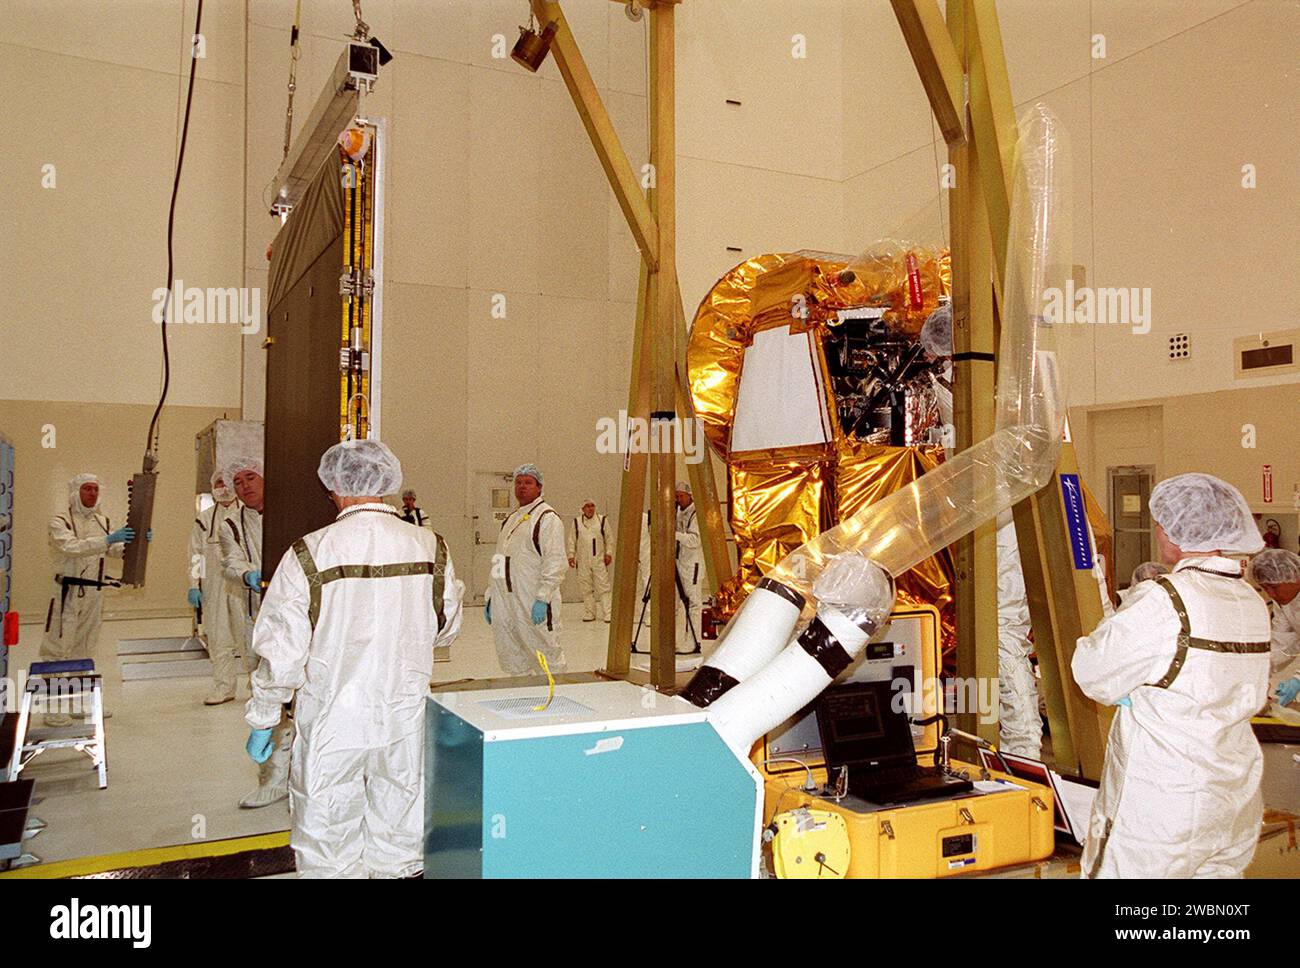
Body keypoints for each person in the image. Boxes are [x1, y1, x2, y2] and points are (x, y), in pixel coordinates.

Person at [244, 439, 462, 878]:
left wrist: (264, 715)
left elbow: (282, 653)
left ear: (334, 489)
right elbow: (446, 629)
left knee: (327, 830)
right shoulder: (430, 546)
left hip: (332, 719)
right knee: (400, 826)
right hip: (405, 714)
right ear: (386, 483)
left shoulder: (310, 552)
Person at [1072, 473, 1270, 879]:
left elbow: (1093, 673)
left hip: (1163, 805)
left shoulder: (1166, 599)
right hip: (1233, 796)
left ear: (1170, 533)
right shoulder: (1249, 600)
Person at [40, 473, 138, 726]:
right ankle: (53, 708)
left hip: (93, 593)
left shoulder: (102, 520)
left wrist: (132, 543)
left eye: (95, 489)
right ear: (75, 492)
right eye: (87, 489)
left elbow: (113, 550)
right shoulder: (60, 521)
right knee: (57, 649)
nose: (92, 494)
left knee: (85, 647)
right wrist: (108, 539)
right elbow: (70, 546)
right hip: (67, 593)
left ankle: (79, 701)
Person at [219, 456, 279, 807]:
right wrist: (247, 575)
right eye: (238, 482)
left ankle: (307, 777)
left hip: (302, 619)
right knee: (267, 700)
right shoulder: (232, 524)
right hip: (259, 618)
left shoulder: (291, 511)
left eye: (250, 477)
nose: (245, 486)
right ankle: (270, 779)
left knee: (305, 702)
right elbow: (231, 561)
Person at [484, 464, 567, 676]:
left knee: (545, 654)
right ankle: (522, 697)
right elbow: (500, 559)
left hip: (532, 599)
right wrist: (491, 595)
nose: (522, 487)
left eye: (528, 482)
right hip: (506, 600)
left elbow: (555, 561)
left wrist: (543, 596)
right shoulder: (512, 519)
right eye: (518, 482)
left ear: (539, 488)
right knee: (511, 653)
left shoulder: (547, 518)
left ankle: (557, 701)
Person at [187, 471, 246, 705]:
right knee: (219, 637)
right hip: (215, 585)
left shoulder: (249, 514)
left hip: (243, 584)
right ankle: (224, 686)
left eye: (227, 483)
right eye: (218, 483)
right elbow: (196, 555)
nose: (223, 487)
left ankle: (258, 687)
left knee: (248, 636)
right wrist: (194, 584)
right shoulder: (205, 519)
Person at [1249, 548, 1300, 711]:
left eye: (1274, 587)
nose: (1270, 594)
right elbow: (1283, 643)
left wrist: (1298, 679)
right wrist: (1259, 670)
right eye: (1265, 588)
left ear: (1293, 577)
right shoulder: (1285, 603)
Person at [567, 500, 612, 622]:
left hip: (598, 559)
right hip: (582, 561)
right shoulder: (577, 523)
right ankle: (590, 612)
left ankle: (608, 612)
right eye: (587, 506)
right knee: (585, 587)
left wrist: (609, 553)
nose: (590, 508)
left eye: (592, 506)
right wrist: (571, 555)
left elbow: (609, 538)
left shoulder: (602, 520)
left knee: (603, 586)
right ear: (583, 508)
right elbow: (572, 540)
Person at [674, 482, 703, 656]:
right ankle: (681, 639)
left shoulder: (695, 514)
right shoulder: (679, 512)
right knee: (680, 604)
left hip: (693, 564)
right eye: (676, 496)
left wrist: (674, 534)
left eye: (681, 496)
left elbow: (695, 540)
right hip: (681, 563)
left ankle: (693, 641)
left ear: (690, 495)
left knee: (693, 603)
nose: (678, 499)